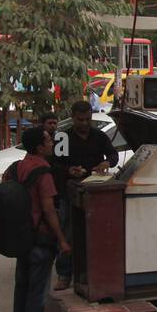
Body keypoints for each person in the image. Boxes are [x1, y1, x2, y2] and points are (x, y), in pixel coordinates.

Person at [12, 126, 69, 312]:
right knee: (37, 289)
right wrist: (62, 239)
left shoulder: (19, 166)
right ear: (39, 147)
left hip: (22, 235)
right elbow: (49, 209)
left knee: (22, 285)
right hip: (41, 237)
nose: (52, 143)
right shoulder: (43, 172)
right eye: (48, 140)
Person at [51, 100, 117, 289]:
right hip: (69, 191)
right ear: (73, 118)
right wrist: (69, 170)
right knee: (68, 232)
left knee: (94, 233)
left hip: (94, 191)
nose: (85, 123)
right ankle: (64, 274)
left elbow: (113, 155)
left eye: (88, 119)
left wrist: (106, 163)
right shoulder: (63, 138)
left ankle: (90, 272)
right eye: (81, 120)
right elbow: (54, 164)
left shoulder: (99, 136)